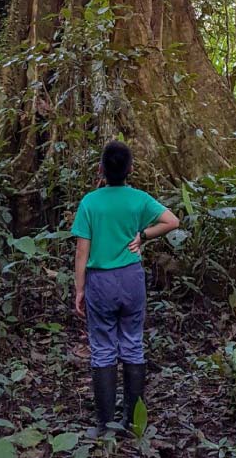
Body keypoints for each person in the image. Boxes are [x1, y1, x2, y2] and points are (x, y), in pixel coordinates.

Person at [71, 141, 180, 435]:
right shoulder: (139, 199)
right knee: (132, 343)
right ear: (130, 169)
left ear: (101, 169)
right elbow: (172, 221)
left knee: (102, 348)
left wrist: (79, 288)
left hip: (100, 282)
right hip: (131, 279)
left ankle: (106, 425)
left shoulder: (90, 202)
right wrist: (143, 235)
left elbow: (82, 250)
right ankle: (134, 422)